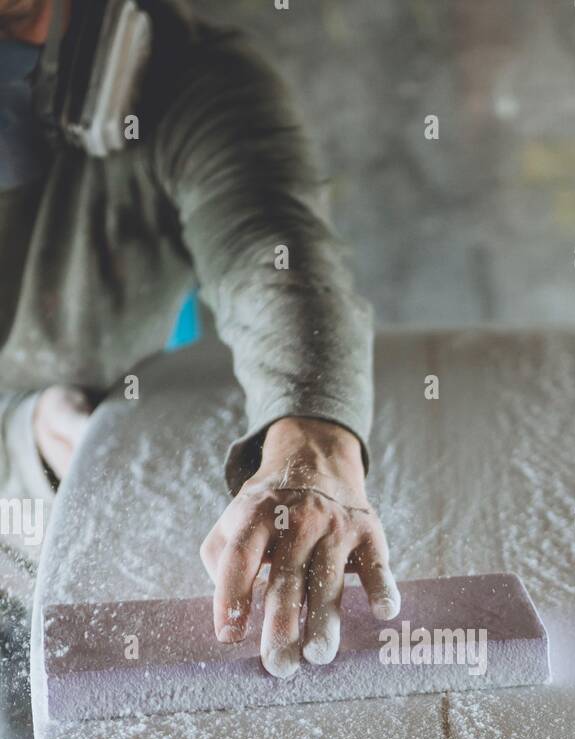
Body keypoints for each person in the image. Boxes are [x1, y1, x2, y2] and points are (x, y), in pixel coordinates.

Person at [0, 0, 400, 672]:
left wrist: (313, 438)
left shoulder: (181, 78)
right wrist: (19, 446)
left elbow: (271, 258)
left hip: (69, 517)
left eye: (17, 16)